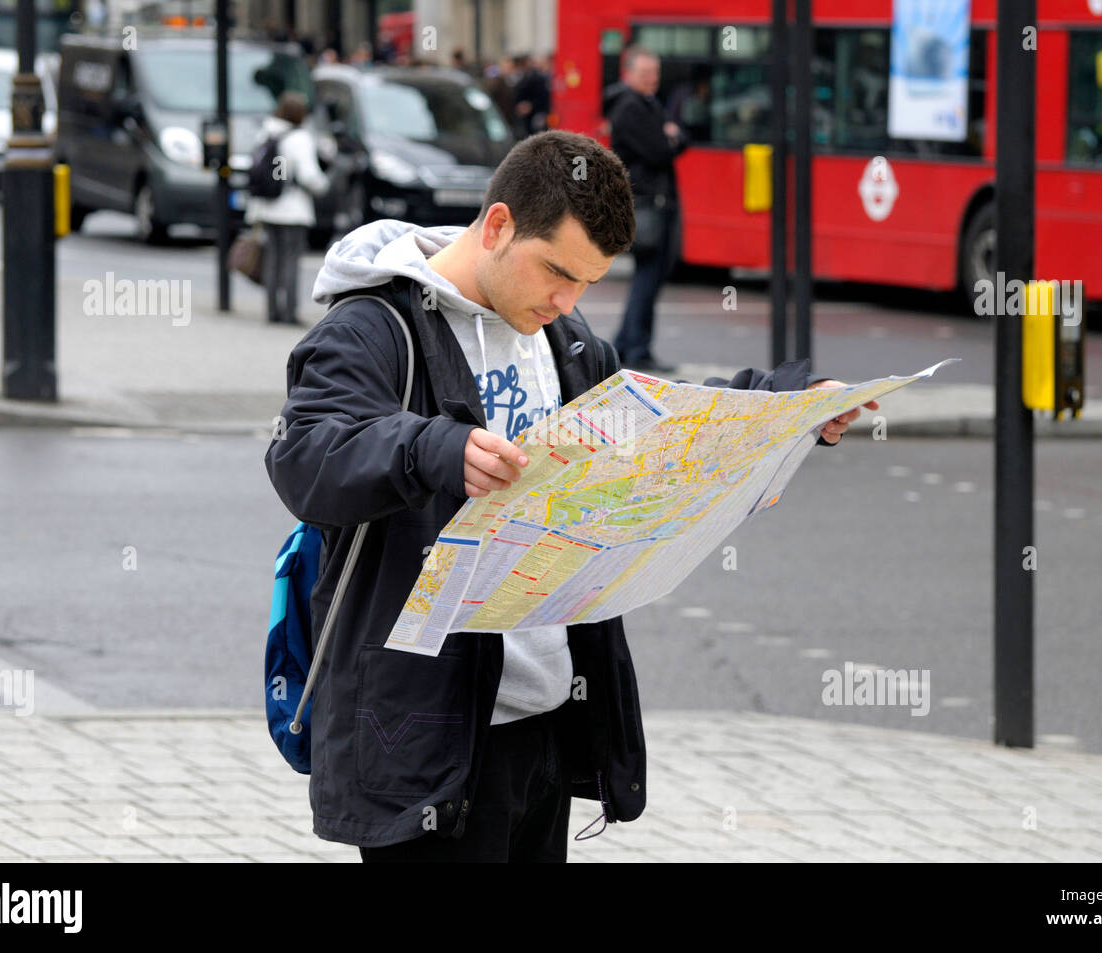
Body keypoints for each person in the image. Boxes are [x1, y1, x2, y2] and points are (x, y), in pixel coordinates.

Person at [263, 130, 875, 862]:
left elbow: (661, 440)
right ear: (496, 226)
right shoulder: (373, 327)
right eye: (556, 271)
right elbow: (305, 456)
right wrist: (437, 447)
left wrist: (788, 411)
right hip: (424, 738)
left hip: (546, 719)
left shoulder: (568, 342)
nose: (567, 300)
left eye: (588, 281)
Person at [604, 44, 688, 373]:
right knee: (647, 277)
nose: (652, 79)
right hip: (648, 204)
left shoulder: (647, 104)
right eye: (644, 73)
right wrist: (670, 138)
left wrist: (673, 138)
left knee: (649, 277)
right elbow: (659, 151)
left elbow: (681, 138)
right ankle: (635, 346)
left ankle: (628, 342)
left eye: (655, 73)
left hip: (656, 202)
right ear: (628, 74)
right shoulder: (630, 108)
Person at [246, 91, 331, 325]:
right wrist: (326, 184)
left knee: (272, 258)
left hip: (267, 209)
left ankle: (271, 310)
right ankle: (289, 312)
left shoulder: (266, 132)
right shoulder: (299, 139)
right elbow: (309, 176)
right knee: (291, 261)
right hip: (293, 210)